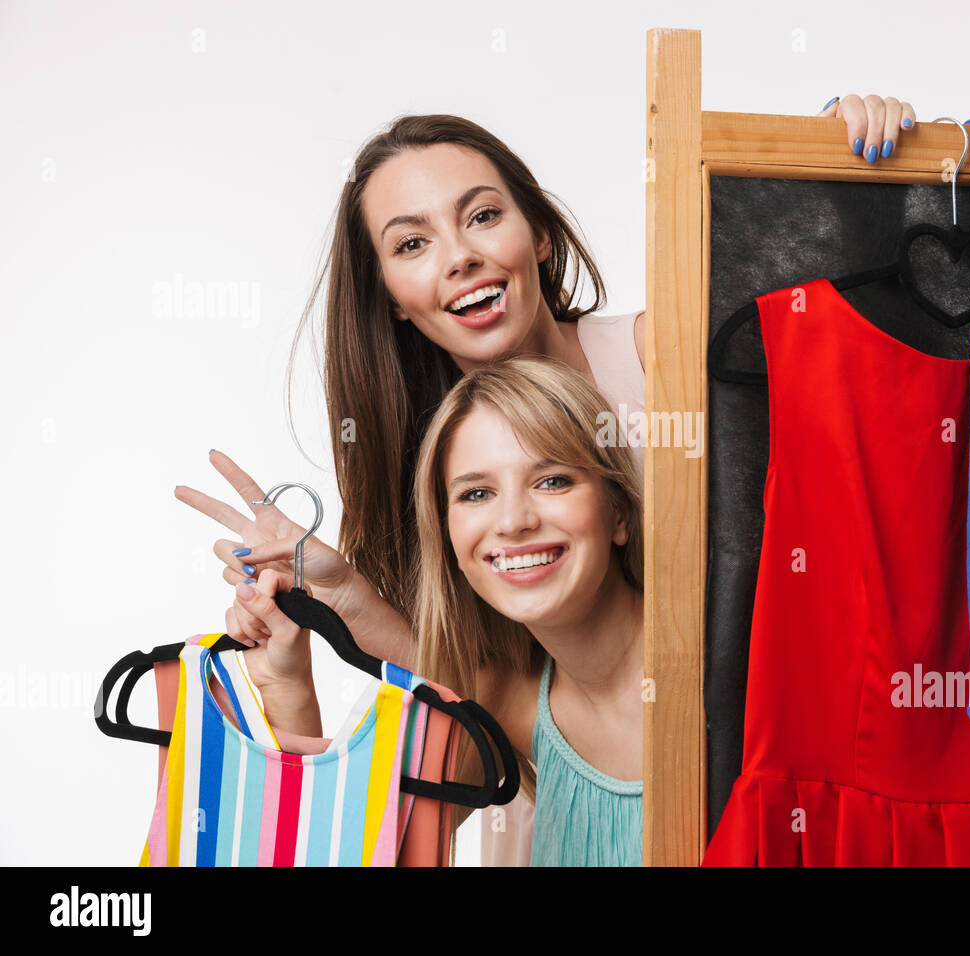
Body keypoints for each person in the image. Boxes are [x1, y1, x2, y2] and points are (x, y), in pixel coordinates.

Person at [175, 94, 917, 863]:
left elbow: (851, 375)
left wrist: (830, 171)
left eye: (482, 216)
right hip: (554, 805)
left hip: (740, 782)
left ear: (540, 236)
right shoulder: (440, 484)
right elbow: (465, 698)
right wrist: (342, 609)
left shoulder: (677, 353)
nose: (458, 256)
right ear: (391, 299)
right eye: (411, 244)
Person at [228, 356, 645, 865]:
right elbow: (344, 854)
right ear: (447, 534)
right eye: (476, 493)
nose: (513, 521)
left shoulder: (726, 665)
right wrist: (288, 680)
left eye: (552, 480)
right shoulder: (508, 705)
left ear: (618, 512)